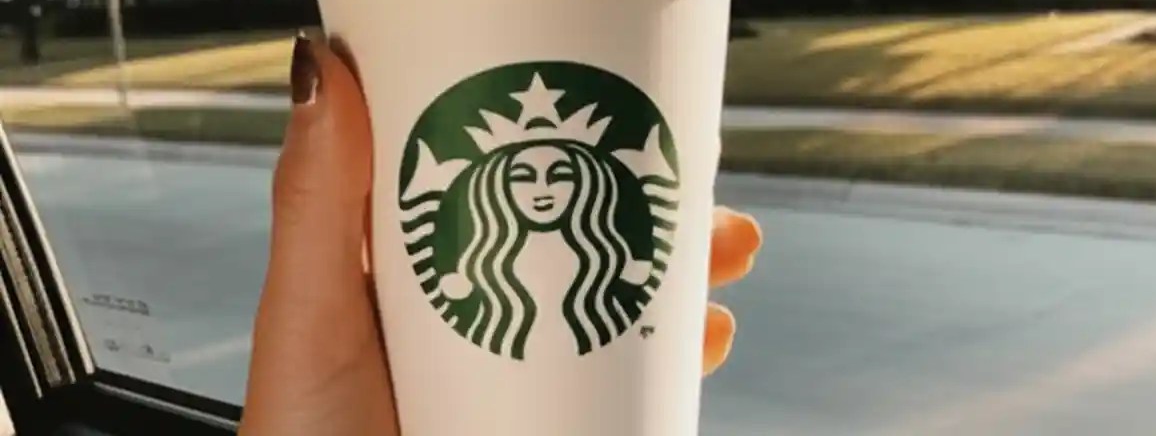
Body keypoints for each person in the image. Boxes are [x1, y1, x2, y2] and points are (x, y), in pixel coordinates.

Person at [239, 35, 764, 435]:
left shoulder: (608, 271)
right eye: (522, 175)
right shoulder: (477, 277)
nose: (541, 190)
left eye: (559, 175)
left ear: (588, 183)